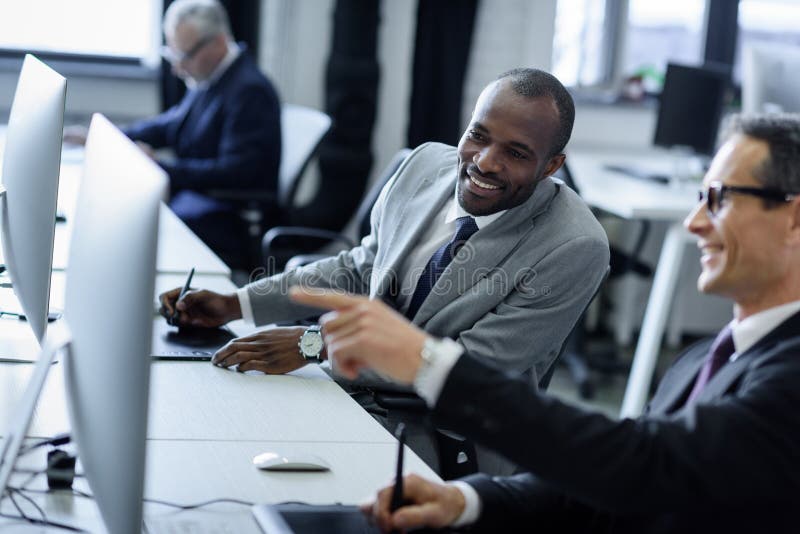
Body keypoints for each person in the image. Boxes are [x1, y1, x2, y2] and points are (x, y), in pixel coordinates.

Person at [290, 113, 800, 533]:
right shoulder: (700, 360)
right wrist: (467, 502)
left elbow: (643, 464)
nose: (694, 223)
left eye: (721, 198)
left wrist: (430, 362)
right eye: (699, 199)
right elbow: (610, 482)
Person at [160, 68, 610, 474]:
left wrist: (315, 344)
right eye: (478, 135)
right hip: (353, 391)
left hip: (444, 439)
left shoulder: (573, 246)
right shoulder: (423, 167)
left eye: (515, 152)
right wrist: (235, 303)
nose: (485, 161)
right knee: (212, 424)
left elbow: (468, 366)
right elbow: (359, 268)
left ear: (552, 165)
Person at [66, 0, 281, 266]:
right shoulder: (212, 77)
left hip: (231, 216)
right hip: (202, 200)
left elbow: (234, 173)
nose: (177, 68)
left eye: (185, 56)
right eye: (173, 56)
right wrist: (108, 137)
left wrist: (158, 168)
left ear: (219, 43)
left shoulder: (249, 91)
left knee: (136, 221)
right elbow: (171, 126)